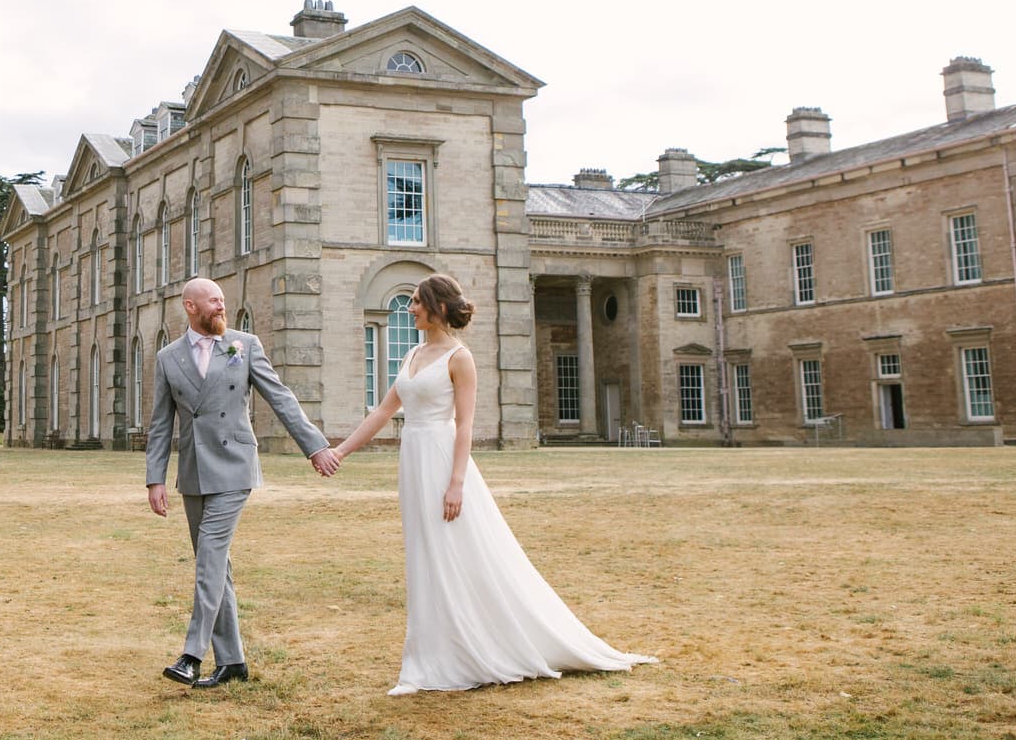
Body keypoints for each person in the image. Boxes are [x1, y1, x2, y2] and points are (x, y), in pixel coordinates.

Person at [330, 273, 656, 695]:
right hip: (413, 461)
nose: (410, 309)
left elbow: (465, 424)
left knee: (453, 553)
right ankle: (427, 658)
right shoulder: (412, 353)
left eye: (416, 302)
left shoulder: (459, 358)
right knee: (424, 556)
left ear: (438, 307)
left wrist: (456, 483)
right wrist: (340, 451)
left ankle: (453, 657)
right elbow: (382, 412)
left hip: (443, 459)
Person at [145, 277, 340, 688]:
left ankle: (191, 655)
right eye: (213, 300)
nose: (221, 305)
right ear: (190, 307)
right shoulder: (167, 357)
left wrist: (315, 447)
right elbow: (161, 424)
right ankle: (232, 662)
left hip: (235, 467)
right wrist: (154, 480)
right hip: (194, 472)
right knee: (216, 566)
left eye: (222, 299)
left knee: (209, 558)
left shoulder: (244, 345)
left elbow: (280, 397)